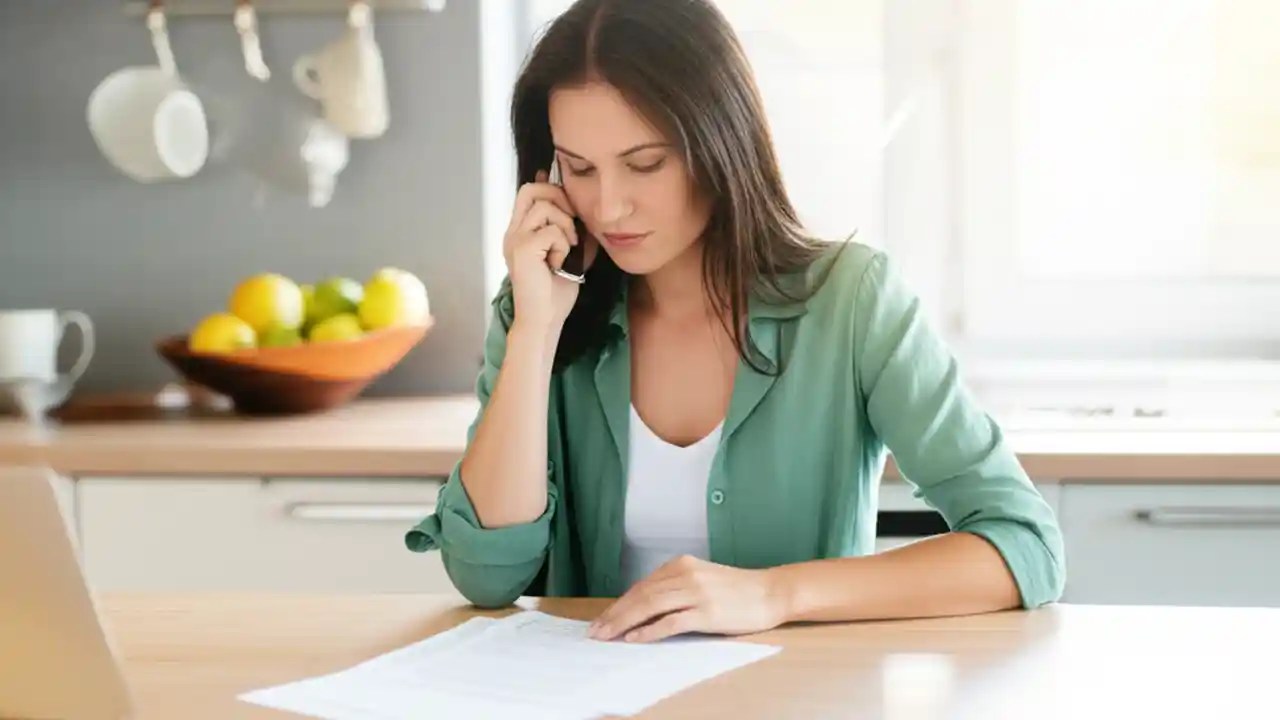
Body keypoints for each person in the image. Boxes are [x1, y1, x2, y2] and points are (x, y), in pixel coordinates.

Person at [406, 0, 1064, 643]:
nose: (608, 206)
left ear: (720, 140)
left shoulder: (851, 301)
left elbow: (1022, 543)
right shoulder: (540, 305)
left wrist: (775, 593)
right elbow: (486, 574)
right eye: (579, 168)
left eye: (645, 163)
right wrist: (536, 330)